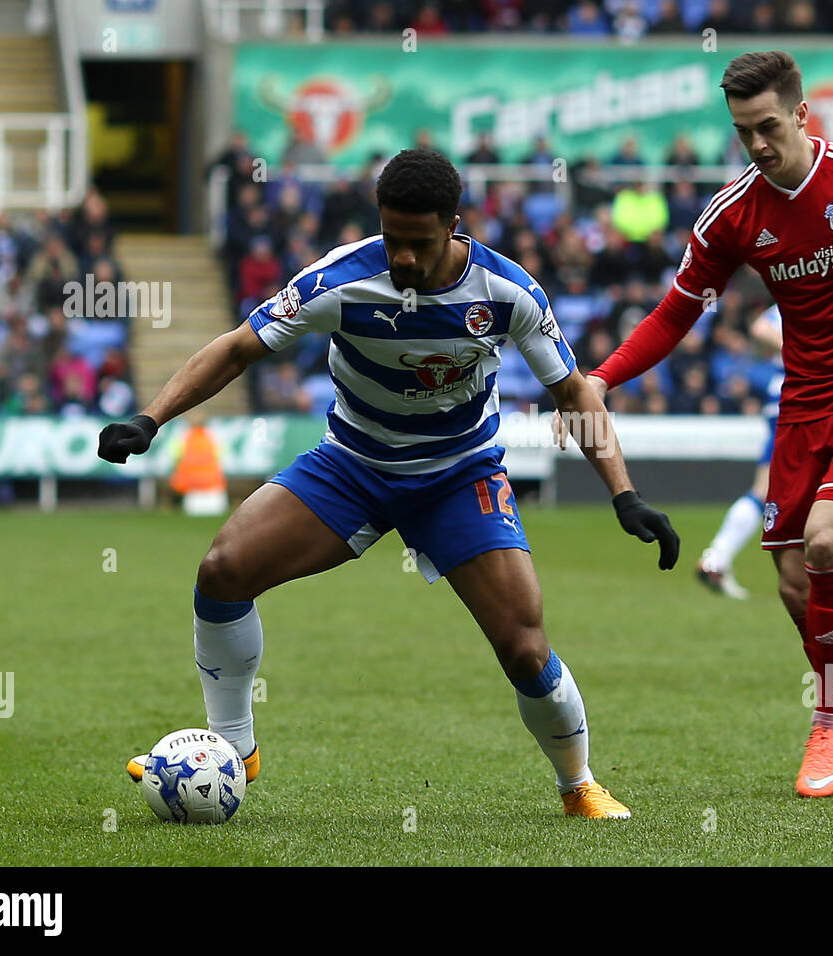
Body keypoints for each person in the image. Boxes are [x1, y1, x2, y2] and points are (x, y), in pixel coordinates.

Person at [99, 149, 679, 820]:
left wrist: (623, 493)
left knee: (523, 645)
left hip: (459, 475)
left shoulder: (506, 291)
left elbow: (573, 390)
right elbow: (237, 348)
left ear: (454, 227)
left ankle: (578, 784)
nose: (401, 257)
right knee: (223, 571)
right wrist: (151, 419)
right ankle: (235, 749)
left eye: (419, 243)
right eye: (391, 238)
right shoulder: (340, 281)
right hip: (352, 466)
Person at [576, 51, 833, 798]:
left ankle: (828, 724)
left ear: (803, 115)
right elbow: (677, 312)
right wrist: (600, 379)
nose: (758, 144)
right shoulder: (732, 214)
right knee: (797, 584)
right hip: (804, 405)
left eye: (768, 126)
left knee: (829, 540)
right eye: (743, 132)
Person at [698, 304, 833, 602]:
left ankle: (718, 558)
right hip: (800, 404)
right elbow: (761, 328)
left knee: (810, 493)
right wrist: (804, 352)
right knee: (793, 491)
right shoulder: (803, 292)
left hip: (798, 401)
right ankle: (717, 557)